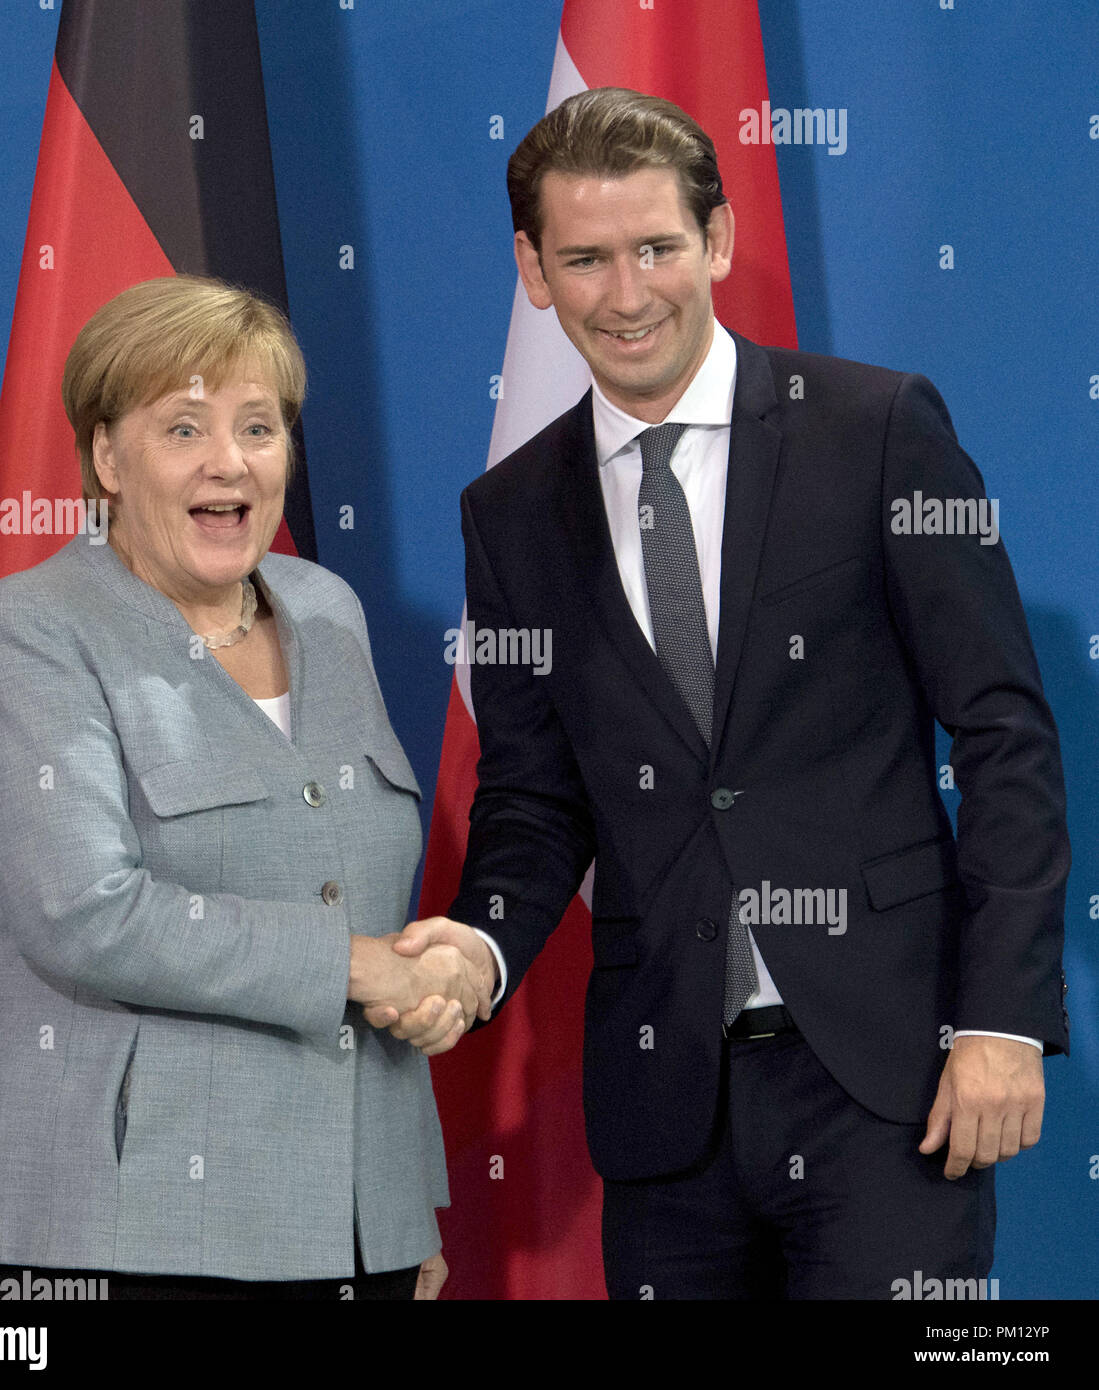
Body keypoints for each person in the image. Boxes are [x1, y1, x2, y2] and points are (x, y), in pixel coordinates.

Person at [368, 88, 1070, 1299]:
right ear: (533, 270)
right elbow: (536, 797)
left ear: (720, 240)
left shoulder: (875, 428)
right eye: (585, 259)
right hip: (669, 1106)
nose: (626, 293)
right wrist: (479, 947)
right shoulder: (511, 512)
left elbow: (1005, 732)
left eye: (656, 248)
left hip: (892, 1085)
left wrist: (1001, 1018)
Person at [0, 274, 490, 1300]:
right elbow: (84, 913)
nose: (229, 460)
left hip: (347, 1232)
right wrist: (358, 966)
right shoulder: (31, 631)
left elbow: (354, 886)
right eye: (184, 428)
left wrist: (392, 1211)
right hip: (116, 1236)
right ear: (108, 457)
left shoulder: (328, 612)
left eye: (258, 427)